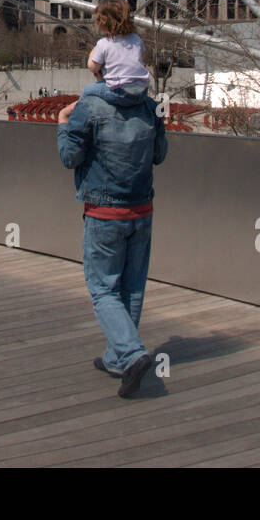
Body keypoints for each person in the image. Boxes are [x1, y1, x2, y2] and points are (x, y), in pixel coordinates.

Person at [57, 59, 168, 399]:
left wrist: (63, 122)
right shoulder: (151, 106)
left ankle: (132, 354)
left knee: (103, 289)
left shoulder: (90, 105)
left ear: (101, 71)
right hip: (141, 211)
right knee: (131, 288)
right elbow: (160, 155)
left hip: (105, 212)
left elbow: (69, 157)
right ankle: (117, 359)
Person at [83, 0, 151, 100]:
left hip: (120, 92)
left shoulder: (103, 43)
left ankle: (68, 116)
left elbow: (93, 67)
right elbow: (142, 57)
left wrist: (92, 52)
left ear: (103, 23)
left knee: (88, 90)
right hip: (141, 91)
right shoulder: (136, 39)